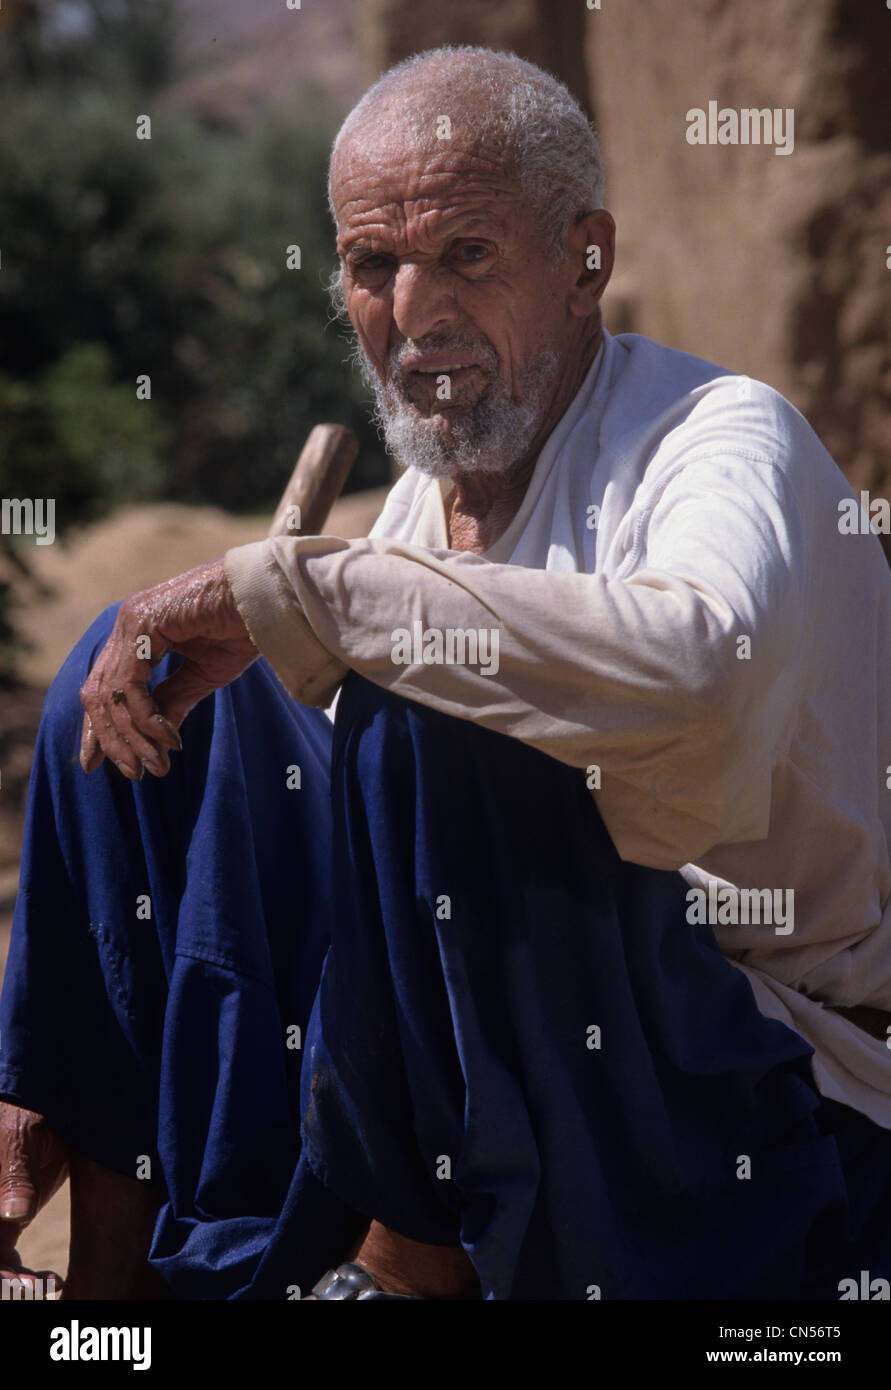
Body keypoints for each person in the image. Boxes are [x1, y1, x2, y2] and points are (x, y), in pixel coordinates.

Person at [2, 44, 891, 1302]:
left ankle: (407, 1269)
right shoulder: (426, 507)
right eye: (373, 266)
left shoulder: (722, 440)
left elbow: (698, 680)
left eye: (468, 253)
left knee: (440, 694)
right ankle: (114, 1276)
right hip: (501, 1081)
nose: (412, 312)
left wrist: (310, 591)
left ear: (587, 258)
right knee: (123, 672)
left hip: (735, 1091)